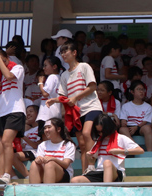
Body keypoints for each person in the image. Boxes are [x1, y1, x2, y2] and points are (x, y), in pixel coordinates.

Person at [48, 43, 102, 173]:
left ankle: (91, 166)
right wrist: (55, 99)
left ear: (74, 53)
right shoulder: (64, 75)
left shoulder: (84, 67)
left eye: (66, 51)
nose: (64, 54)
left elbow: (93, 87)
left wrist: (75, 98)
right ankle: (85, 172)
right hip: (76, 112)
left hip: (91, 107)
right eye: (62, 52)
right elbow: (63, 96)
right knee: (82, 145)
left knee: (86, 133)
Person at [0, 47, 27, 184]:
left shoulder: (17, 68)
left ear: (5, 57)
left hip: (15, 110)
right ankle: (0, 177)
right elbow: (1, 98)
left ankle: (6, 175)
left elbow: (10, 76)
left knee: (6, 141)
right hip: (2, 112)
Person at [74, 114, 144, 183]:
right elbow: (93, 160)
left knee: (107, 163)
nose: (101, 134)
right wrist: (90, 160)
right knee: (75, 180)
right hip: (99, 172)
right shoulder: (99, 140)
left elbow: (140, 150)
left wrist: (121, 151)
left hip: (116, 172)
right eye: (98, 132)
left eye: (103, 131)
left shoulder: (121, 138)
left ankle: (106, 190)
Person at [29, 118, 75, 184]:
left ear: (58, 129)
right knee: (34, 164)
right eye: (45, 128)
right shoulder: (43, 144)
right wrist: (39, 159)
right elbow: (39, 157)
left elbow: (66, 165)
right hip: (46, 171)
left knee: (50, 164)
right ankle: (34, 190)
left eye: (49, 127)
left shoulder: (68, 144)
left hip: (63, 174)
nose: (46, 130)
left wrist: (53, 159)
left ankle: (48, 191)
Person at [119, 80, 152, 152]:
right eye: (138, 89)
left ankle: (150, 152)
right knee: (122, 129)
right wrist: (123, 123)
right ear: (132, 92)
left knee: (147, 128)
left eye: (142, 89)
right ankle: (136, 147)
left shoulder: (148, 107)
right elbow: (123, 119)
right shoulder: (126, 106)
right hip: (129, 127)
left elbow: (145, 121)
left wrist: (136, 127)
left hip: (140, 127)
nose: (141, 91)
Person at [36, 56, 63, 134]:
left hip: (47, 114)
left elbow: (45, 93)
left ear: (54, 66)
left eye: (45, 65)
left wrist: (40, 82)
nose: (44, 68)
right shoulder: (59, 78)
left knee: (45, 138)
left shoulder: (52, 77)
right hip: (55, 113)